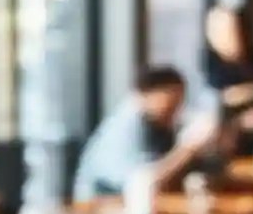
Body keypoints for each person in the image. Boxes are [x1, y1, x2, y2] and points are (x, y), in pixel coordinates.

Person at [73, 66, 215, 203]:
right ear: (143, 96)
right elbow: (143, 183)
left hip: (131, 206)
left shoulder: (160, 122)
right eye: (169, 106)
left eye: (178, 105)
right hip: (101, 207)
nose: (174, 113)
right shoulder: (123, 128)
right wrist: (188, 147)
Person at [203, 6, 253, 154]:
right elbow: (215, 103)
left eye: (234, 28)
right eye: (221, 30)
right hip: (220, 136)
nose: (231, 34)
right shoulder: (207, 62)